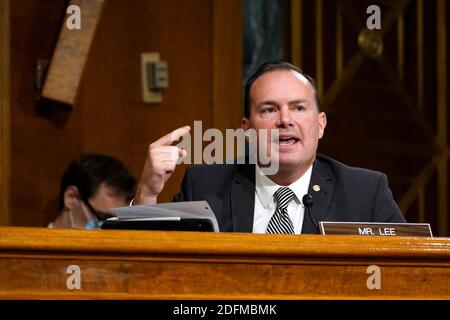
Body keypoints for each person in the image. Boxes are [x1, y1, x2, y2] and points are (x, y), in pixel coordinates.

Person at [133, 61, 406, 234]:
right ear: (247, 130)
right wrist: (148, 192)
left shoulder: (365, 192)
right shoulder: (205, 185)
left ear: (321, 124)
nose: (285, 120)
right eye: (269, 110)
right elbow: (154, 269)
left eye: (298, 107)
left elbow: (408, 271)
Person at [49, 153, 136, 229]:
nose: (111, 230)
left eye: (117, 221)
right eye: (103, 218)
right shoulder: (36, 246)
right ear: (71, 197)